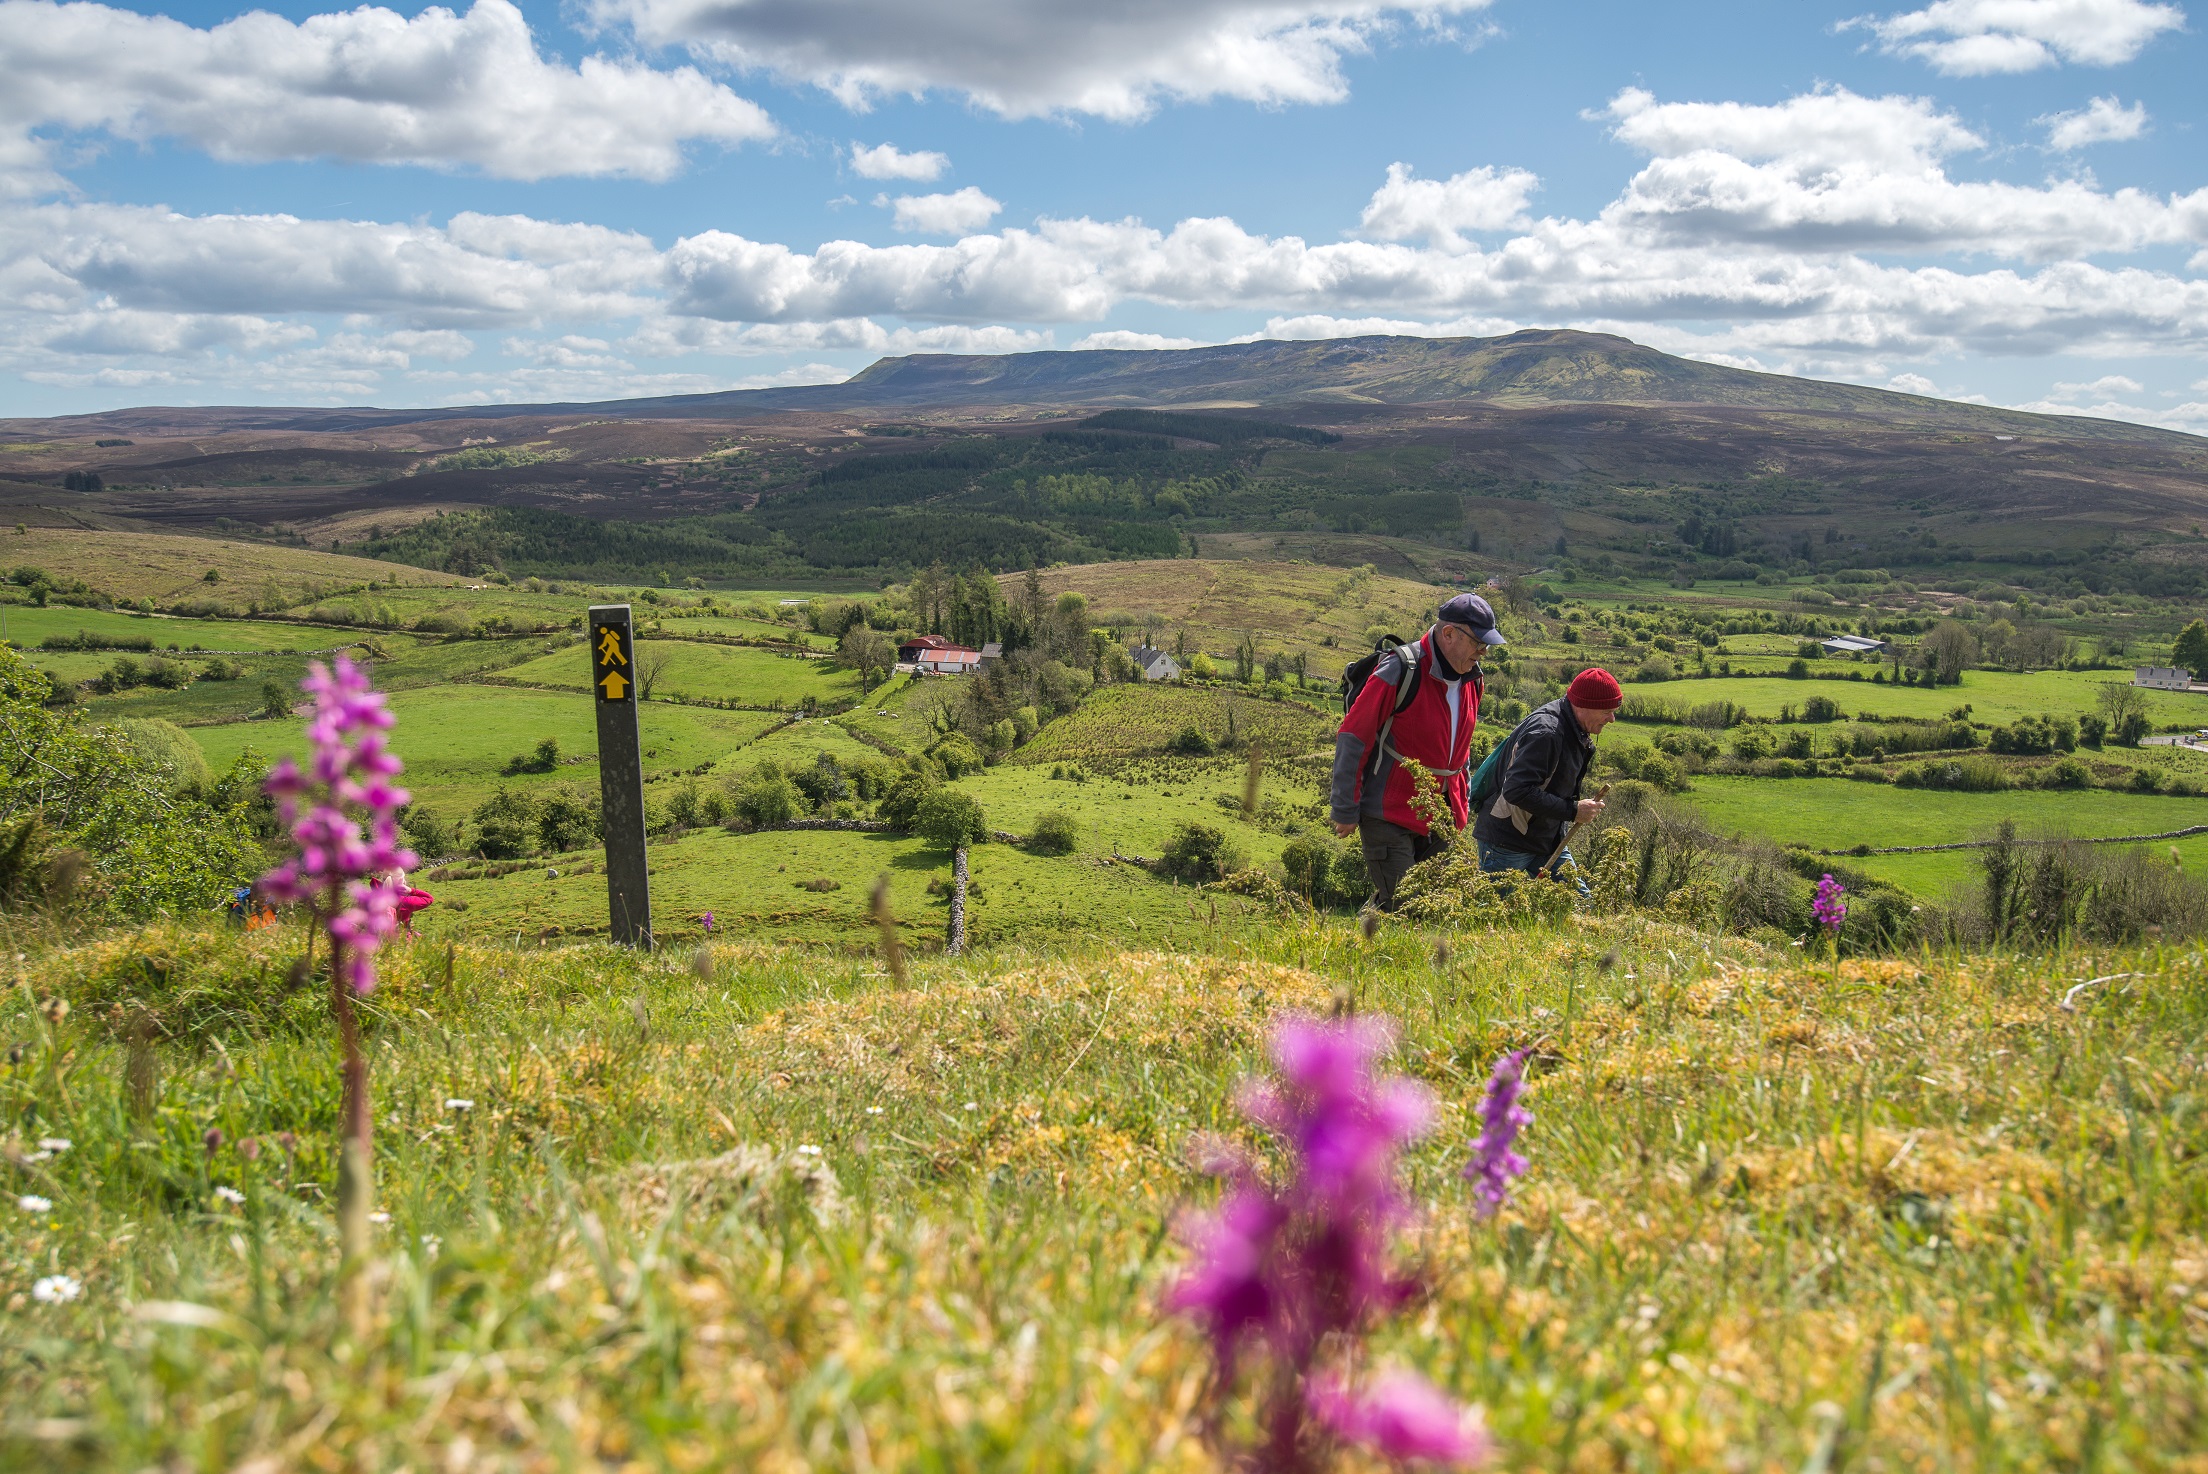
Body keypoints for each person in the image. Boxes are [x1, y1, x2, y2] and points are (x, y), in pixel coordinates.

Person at [1330, 593, 1506, 909]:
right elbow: (1354, 736)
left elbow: (1460, 748)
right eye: (1478, 643)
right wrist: (1344, 807)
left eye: (1487, 646)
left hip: (1441, 815)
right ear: (1449, 633)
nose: (1483, 653)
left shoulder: (1473, 681)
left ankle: (1367, 936)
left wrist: (1461, 802)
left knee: (1433, 905)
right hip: (1388, 812)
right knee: (1409, 907)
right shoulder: (1400, 670)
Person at [1472, 667, 1622, 893]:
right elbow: (1516, 790)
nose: (1612, 719)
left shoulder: (1574, 726)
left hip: (1547, 840)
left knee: (1581, 905)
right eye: (1607, 711)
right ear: (1583, 705)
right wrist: (1573, 810)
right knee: (1491, 914)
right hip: (1506, 841)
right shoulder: (1547, 732)